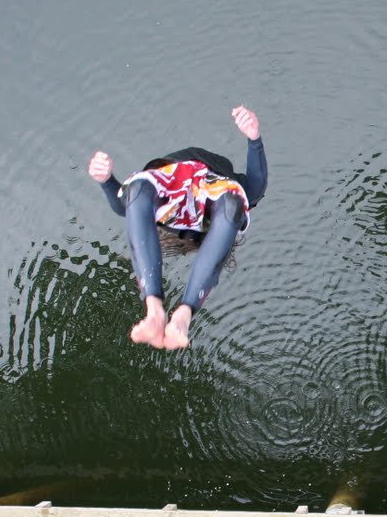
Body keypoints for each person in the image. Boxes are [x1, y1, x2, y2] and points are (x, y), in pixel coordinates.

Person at [87, 106, 267, 350]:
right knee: (233, 207)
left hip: (174, 191)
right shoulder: (222, 197)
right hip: (209, 189)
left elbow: (125, 206)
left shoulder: (164, 197)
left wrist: (106, 180)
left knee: (136, 194)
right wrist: (253, 138)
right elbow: (256, 186)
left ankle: (155, 310)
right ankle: (182, 315)